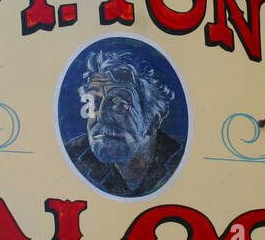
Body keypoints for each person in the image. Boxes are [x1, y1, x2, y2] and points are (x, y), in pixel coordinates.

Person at [64, 49, 184, 197]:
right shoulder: (73, 155)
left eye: (119, 104)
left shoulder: (181, 159)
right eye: (93, 102)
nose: (101, 116)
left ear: (154, 121)